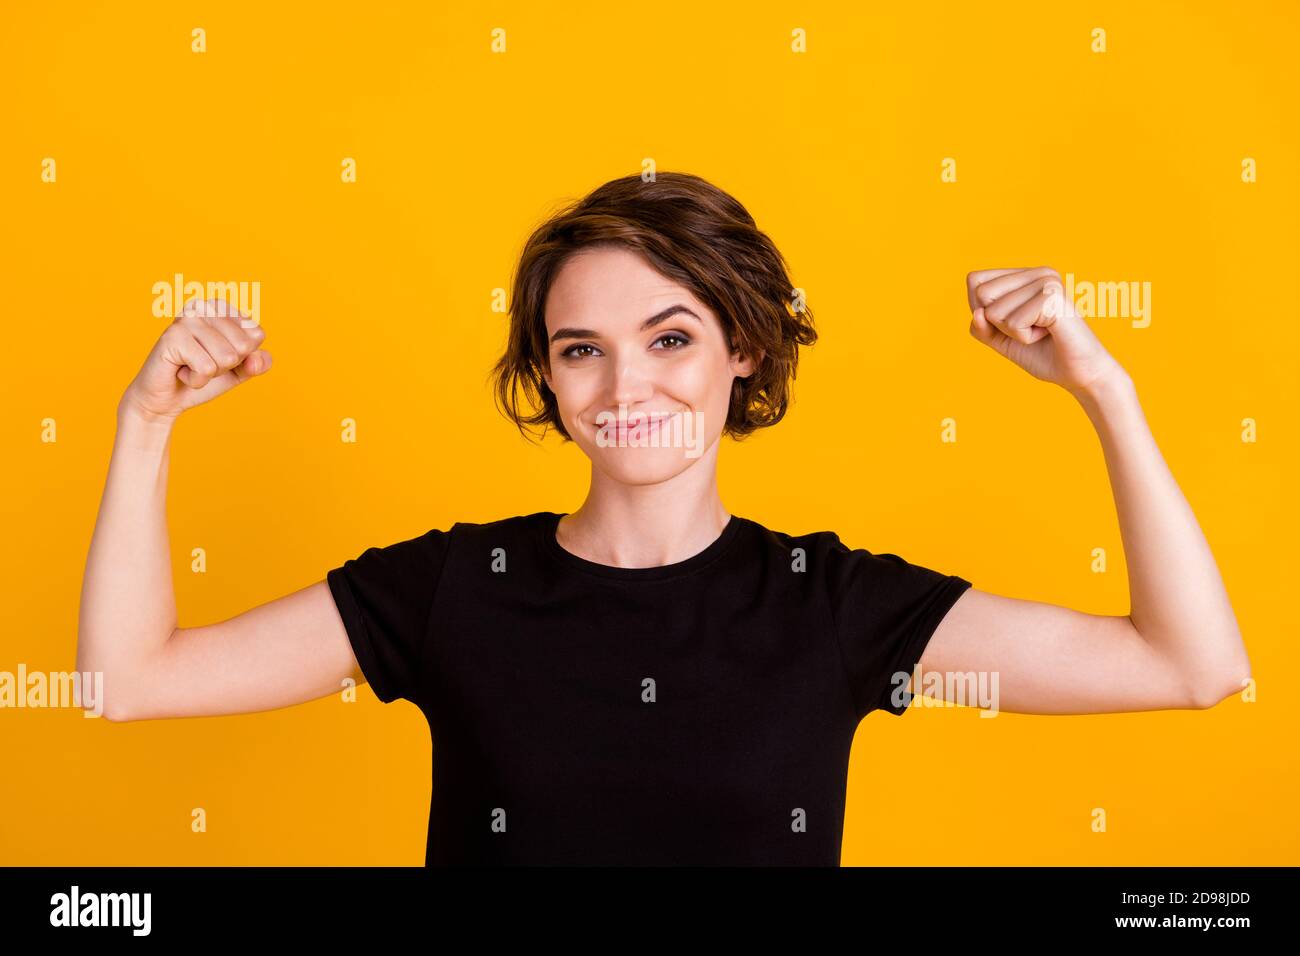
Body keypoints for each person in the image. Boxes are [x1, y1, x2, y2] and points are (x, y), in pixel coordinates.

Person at [77, 171, 1251, 866]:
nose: (625, 387)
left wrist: (1106, 391)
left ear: (742, 349)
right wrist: (145, 422)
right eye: (579, 349)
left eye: (670, 337)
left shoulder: (832, 606)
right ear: (546, 375)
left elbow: (1188, 663)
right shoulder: (451, 587)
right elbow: (129, 678)